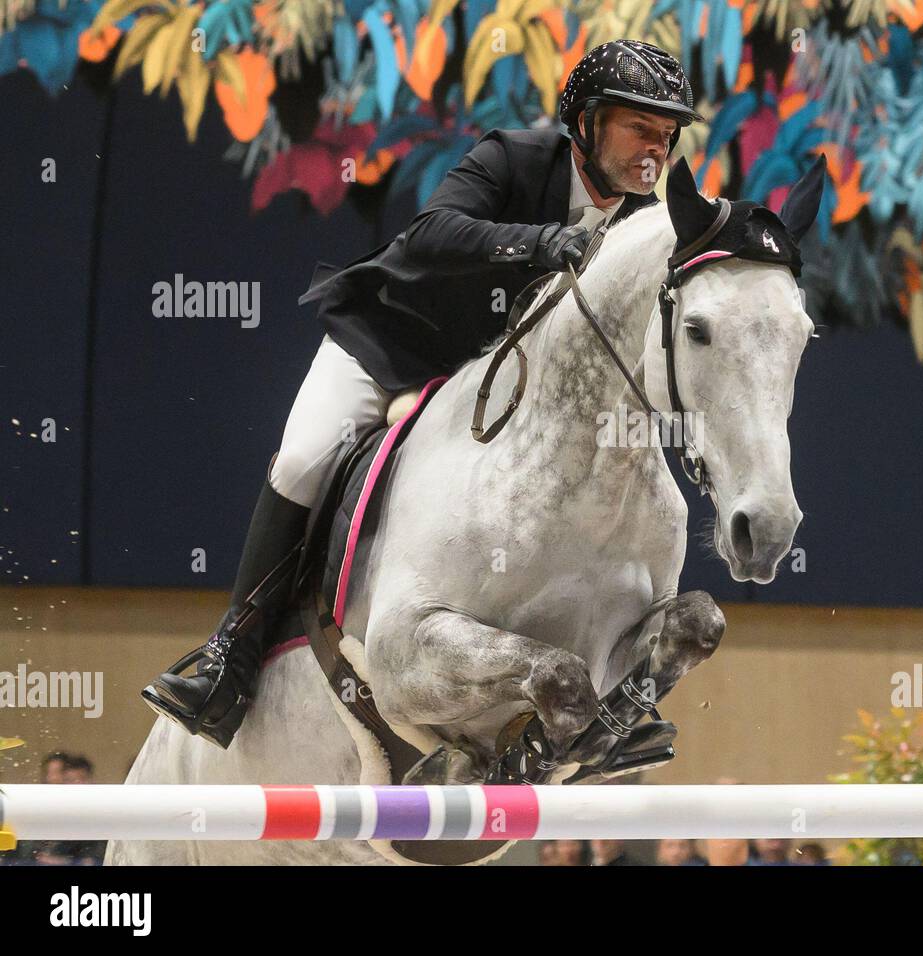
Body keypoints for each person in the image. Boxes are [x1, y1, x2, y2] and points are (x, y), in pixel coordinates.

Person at [139, 40, 702, 748]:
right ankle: (231, 657)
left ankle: (609, 706)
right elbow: (433, 231)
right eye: (641, 127)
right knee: (306, 457)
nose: (658, 147)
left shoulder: (639, 225)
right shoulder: (511, 157)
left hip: (484, 395)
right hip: (393, 347)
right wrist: (540, 243)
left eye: (667, 134)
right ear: (587, 122)